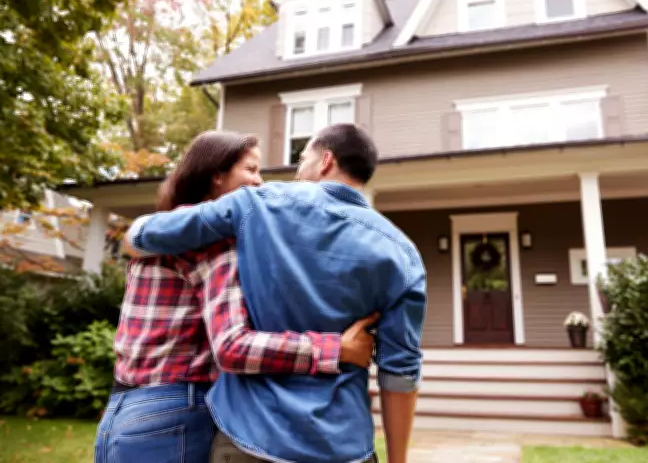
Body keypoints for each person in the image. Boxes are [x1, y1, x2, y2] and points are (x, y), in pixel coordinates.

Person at [125, 124, 426, 463]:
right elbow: (400, 372)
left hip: (249, 439)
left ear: (325, 160)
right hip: (342, 445)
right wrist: (397, 459)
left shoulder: (256, 205)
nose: (297, 170)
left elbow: (145, 234)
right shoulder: (402, 253)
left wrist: (134, 235)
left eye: (302, 158)